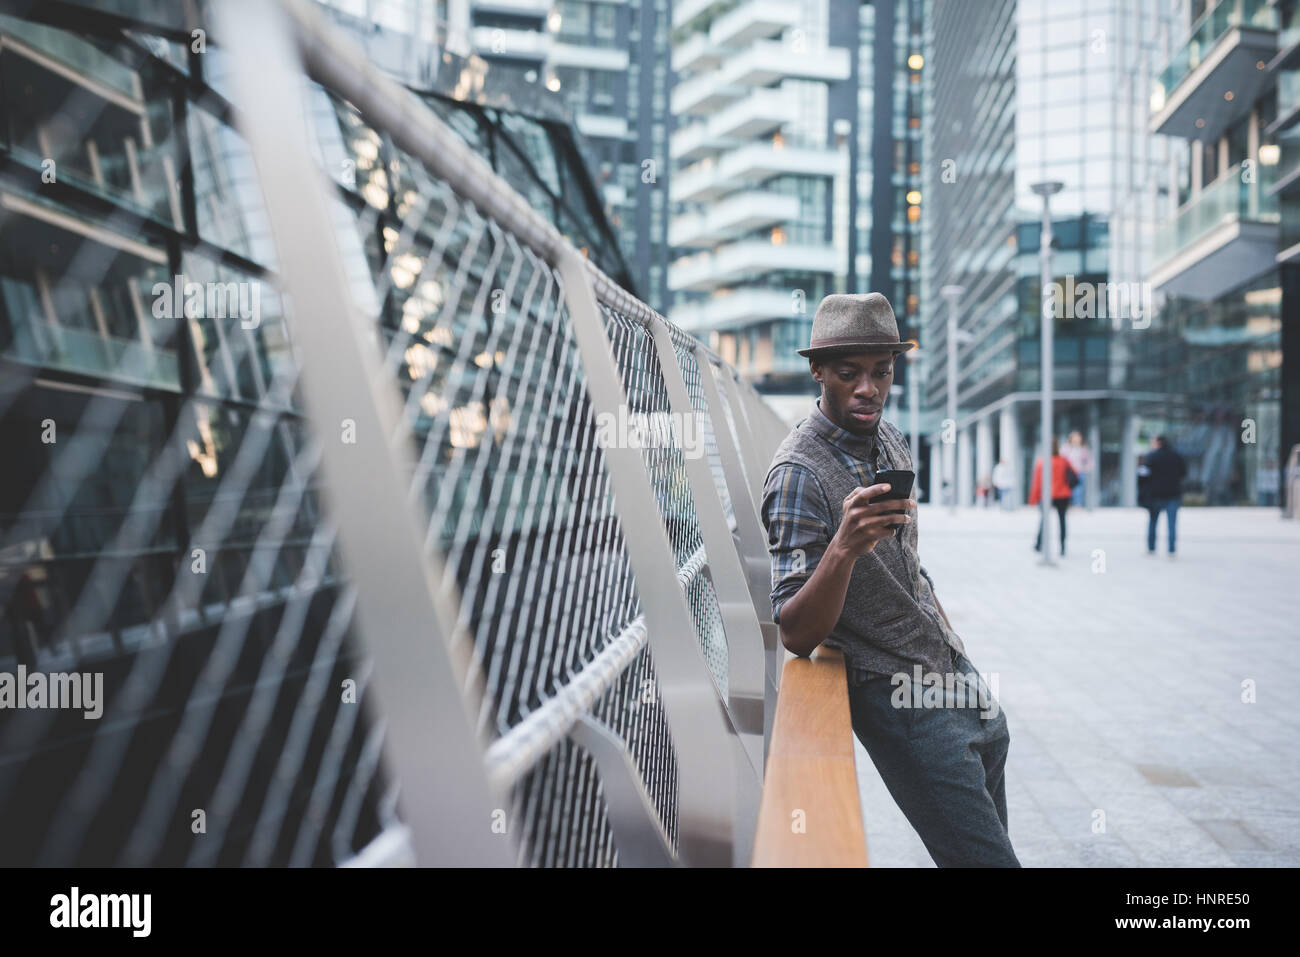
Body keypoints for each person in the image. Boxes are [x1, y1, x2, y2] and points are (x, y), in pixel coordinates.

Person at [760, 292, 1019, 868]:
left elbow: (911, 565)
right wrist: (844, 547)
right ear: (817, 370)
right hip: (899, 700)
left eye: (882, 372)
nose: (868, 389)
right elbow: (795, 632)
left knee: (993, 776)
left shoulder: (890, 438)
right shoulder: (798, 474)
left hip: (947, 669)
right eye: (849, 373)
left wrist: (954, 646)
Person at [1028, 437, 1074, 556]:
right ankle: (1063, 547)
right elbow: (1074, 475)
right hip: (1063, 495)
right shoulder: (1064, 461)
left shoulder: (1042, 462)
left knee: (1044, 520)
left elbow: (1037, 482)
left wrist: (1034, 498)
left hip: (1047, 495)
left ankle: (1039, 544)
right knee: (1062, 520)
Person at [1143, 434, 1187, 556]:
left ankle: (1151, 548)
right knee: (1172, 523)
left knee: (1153, 522)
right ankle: (1171, 549)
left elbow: (1144, 475)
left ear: (1158, 443)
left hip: (1155, 494)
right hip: (1173, 493)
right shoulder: (1177, 456)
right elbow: (1183, 473)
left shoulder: (1152, 457)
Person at [1063, 430, 1093, 506]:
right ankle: (1068, 504)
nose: (1076, 440)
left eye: (1078, 438)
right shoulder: (1066, 448)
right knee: (1068, 489)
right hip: (1069, 472)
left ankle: (1077, 505)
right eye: (1074, 438)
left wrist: (1085, 468)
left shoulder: (1083, 449)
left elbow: (1089, 461)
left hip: (1079, 472)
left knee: (1078, 490)